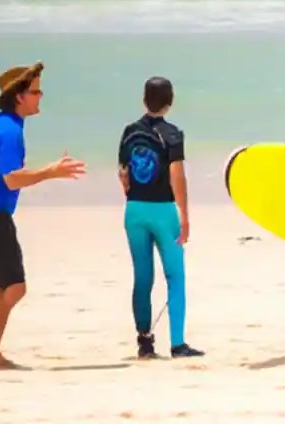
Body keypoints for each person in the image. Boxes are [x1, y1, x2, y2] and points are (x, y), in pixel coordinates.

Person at [0, 62, 86, 368]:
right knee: (15, 287)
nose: (40, 96)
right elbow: (12, 178)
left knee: (8, 287)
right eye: (36, 91)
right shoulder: (10, 131)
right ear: (19, 97)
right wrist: (51, 172)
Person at [117, 76, 204, 359]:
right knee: (175, 276)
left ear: (144, 100)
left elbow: (123, 173)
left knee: (143, 278)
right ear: (170, 102)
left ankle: (144, 342)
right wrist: (185, 215)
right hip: (164, 210)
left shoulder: (129, 131)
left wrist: (132, 193)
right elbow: (176, 175)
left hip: (134, 210)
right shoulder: (173, 134)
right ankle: (178, 344)